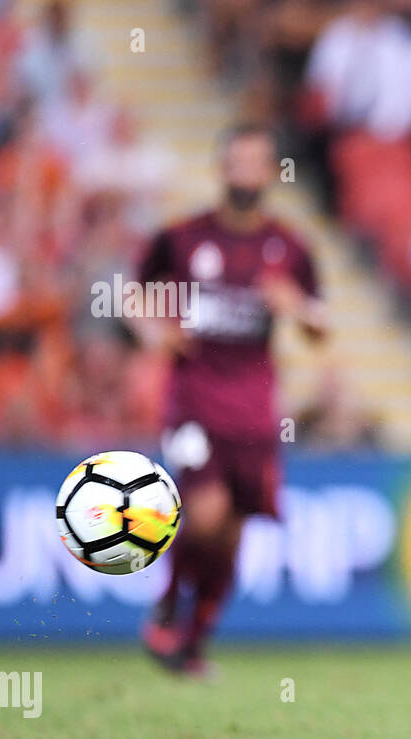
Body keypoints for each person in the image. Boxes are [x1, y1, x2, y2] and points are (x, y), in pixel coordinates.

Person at [133, 122, 326, 677]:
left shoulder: (289, 248)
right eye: (236, 162)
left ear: (270, 172)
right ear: (223, 168)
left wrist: (298, 308)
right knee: (207, 512)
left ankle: (192, 643)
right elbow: (134, 291)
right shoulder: (183, 236)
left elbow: (320, 324)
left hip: (254, 413)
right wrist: (152, 331)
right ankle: (169, 607)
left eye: (256, 163)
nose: (245, 173)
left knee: (234, 529)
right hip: (192, 400)